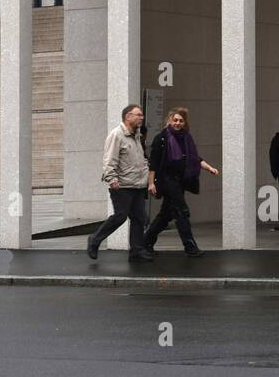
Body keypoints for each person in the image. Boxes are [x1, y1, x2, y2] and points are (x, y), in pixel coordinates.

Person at [143, 107, 220, 257]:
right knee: (181, 212)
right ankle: (190, 247)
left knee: (165, 216)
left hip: (180, 182)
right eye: (175, 120)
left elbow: (194, 158)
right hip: (167, 180)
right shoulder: (162, 138)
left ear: (184, 123)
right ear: (170, 120)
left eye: (181, 121)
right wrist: (151, 183)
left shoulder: (186, 138)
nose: (178, 123)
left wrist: (209, 168)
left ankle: (146, 242)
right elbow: (154, 163)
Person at [88, 105, 153, 262]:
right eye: (139, 115)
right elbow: (109, 159)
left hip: (138, 185)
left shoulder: (137, 135)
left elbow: (140, 158)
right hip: (122, 185)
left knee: (139, 218)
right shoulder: (116, 135)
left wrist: (146, 174)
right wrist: (112, 179)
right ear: (128, 116)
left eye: (142, 115)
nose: (141, 118)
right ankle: (95, 239)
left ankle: (136, 250)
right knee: (120, 216)